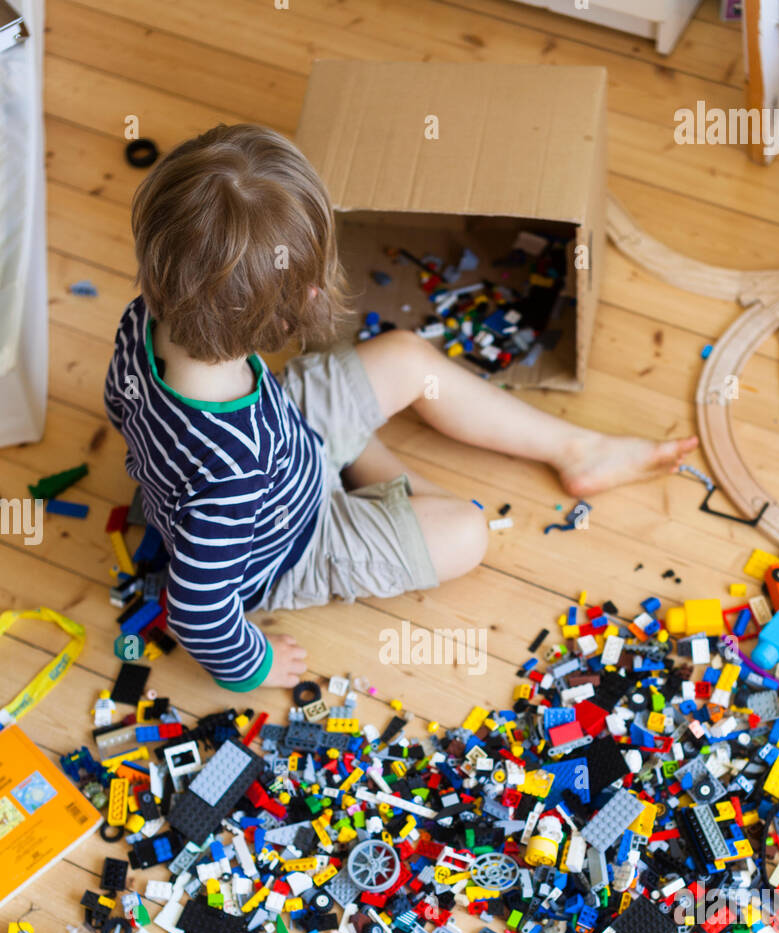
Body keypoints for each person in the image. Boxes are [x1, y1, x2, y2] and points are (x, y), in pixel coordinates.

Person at [105, 123, 697, 692]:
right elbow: (195, 608)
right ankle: (366, 466)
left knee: (409, 358)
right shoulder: (231, 479)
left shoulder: (145, 318)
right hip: (294, 545)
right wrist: (251, 667)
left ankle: (579, 450)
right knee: (468, 533)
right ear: (289, 313)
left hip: (284, 442)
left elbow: (120, 407)